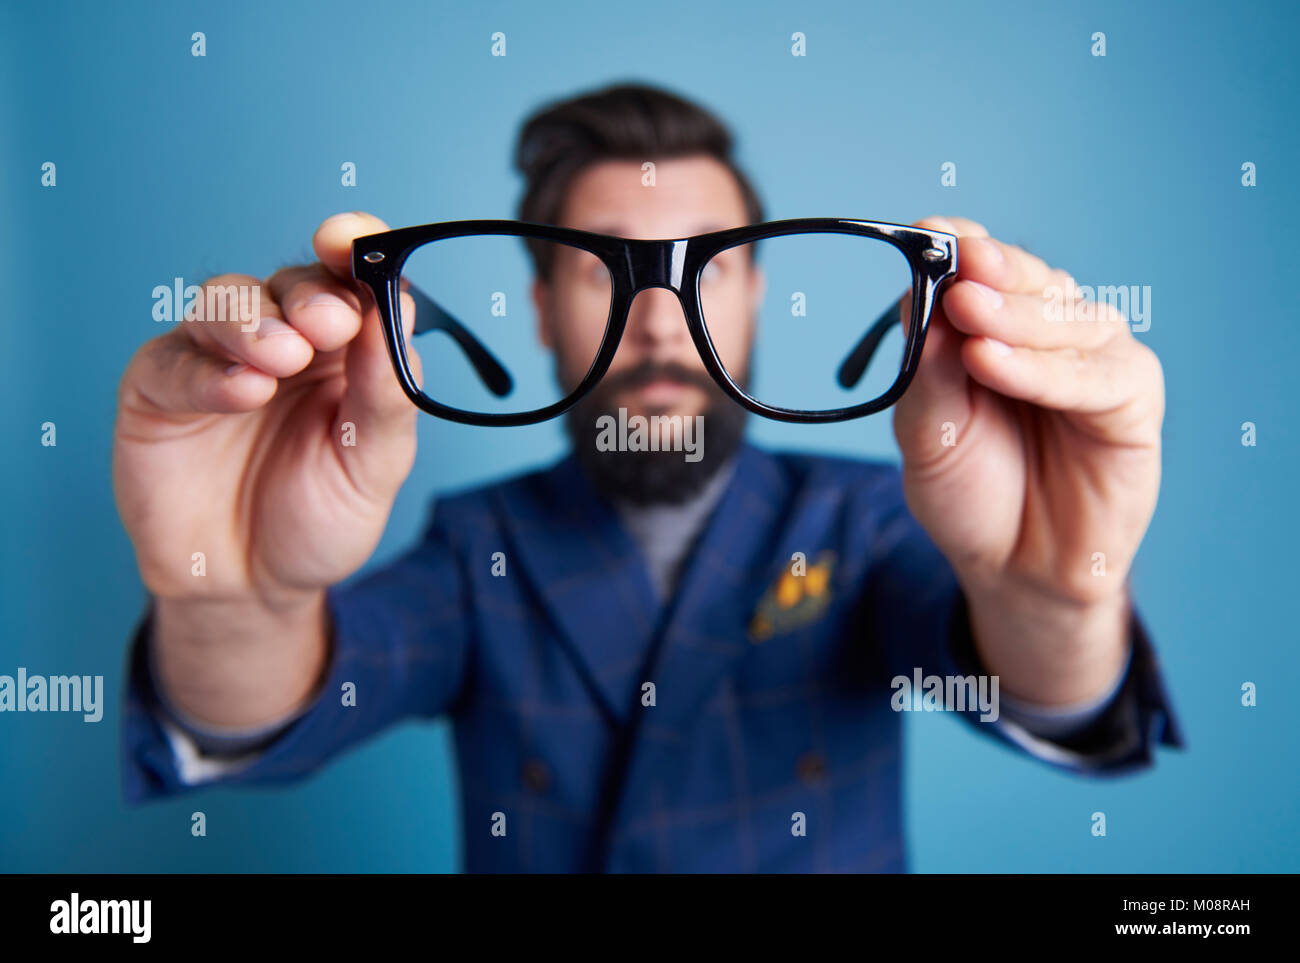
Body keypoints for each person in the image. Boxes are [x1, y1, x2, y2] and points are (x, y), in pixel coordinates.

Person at [115, 82, 1182, 872]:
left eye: (710, 264)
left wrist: (1051, 590)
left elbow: (1036, 689)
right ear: (538, 310)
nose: (660, 318)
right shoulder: (475, 546)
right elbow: (282, 706)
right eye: (599, 266)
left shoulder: (864, 521)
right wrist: (234, 599)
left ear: (761, 294)